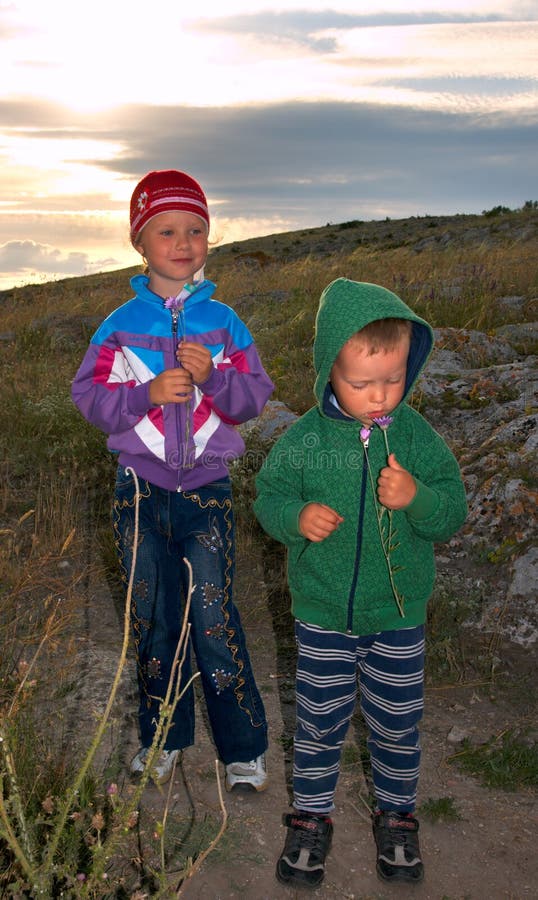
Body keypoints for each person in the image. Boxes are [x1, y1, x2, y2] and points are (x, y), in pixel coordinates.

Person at [253, 278, 468, 888]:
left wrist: (417, 498)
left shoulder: (417, 436)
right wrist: (295, 519)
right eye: (360, 383)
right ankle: (311, 818)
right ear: (328, 370)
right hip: (322, 613)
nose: (379, 396)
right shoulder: (306, 441)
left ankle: (397, 815)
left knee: (397, 720)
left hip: (397, 615)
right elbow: (269, 498)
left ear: (410, 363)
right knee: (319, 719)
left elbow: (451, 509)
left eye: (394, 379)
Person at [72, 169, 273, 789]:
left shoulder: (226, 324)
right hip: (137, 491)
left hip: (207, 493)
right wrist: (144, 394)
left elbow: (254, 397)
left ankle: (242, 749)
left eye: (195, 229)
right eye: (167, 230)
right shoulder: (119, 325)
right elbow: (89, 396)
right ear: (141, 241)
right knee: (155, 620)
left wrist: (214, 377)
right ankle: (164, 738)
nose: (182, 242)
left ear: (208, 239)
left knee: (213, 618)